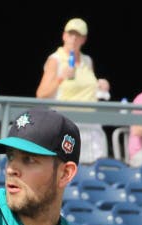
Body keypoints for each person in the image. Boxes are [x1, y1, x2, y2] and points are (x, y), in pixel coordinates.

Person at [35, 18, 110, 164]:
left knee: (93, 167)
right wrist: (61, 78)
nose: (73, 38)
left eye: (78, 35)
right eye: (70, 34)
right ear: (64, 36)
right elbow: (41, 94)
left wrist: (100, 84)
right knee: (67, 165)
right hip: (67, 123)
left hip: (90, 124)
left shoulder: (88, 61)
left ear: (84, 39)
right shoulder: (55, 60)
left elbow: (88, 87)